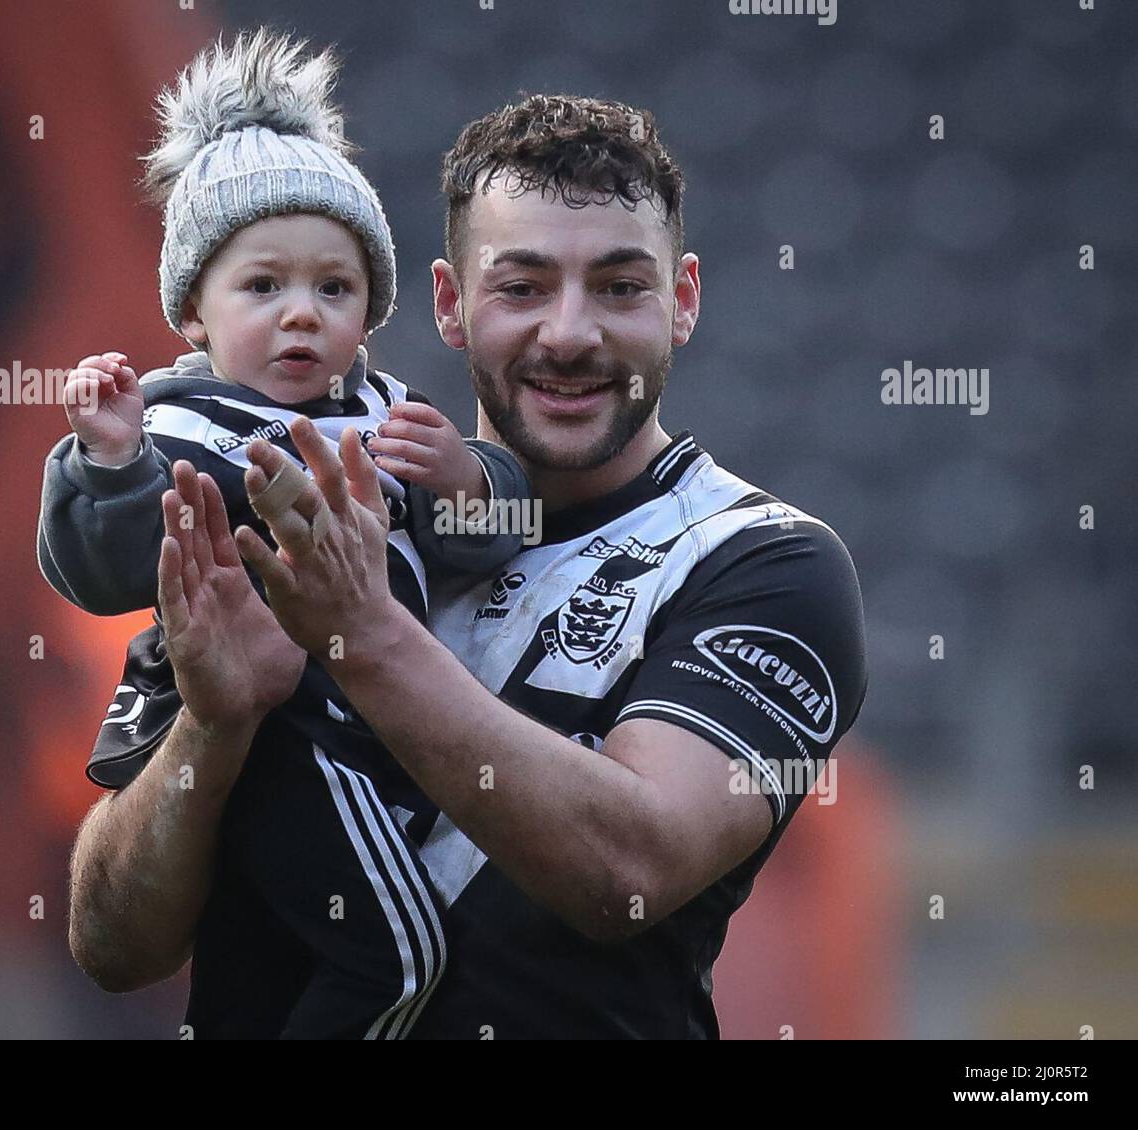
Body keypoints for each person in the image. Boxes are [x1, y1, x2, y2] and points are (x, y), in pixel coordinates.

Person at [68, 92, 868, 1040]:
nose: (570, 333)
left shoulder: (764, 562)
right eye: (521, 286)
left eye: (620, 286)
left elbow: (631, 873)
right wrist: (213, 724)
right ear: (449, 303)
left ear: (682, 300)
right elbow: (114, 947)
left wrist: (361, 633)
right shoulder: (288, 507)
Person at [41, 28, 530, 1039]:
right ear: (193, 311)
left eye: (334, 288)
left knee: (267, 968)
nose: (301, 315)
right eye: (264, 286)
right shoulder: (175, 424)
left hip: (380, 733)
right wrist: (108, 462)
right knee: (403, 953)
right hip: (274, 738)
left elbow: (497, 538)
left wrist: (466, 477)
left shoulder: (390, 417)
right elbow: (98, 570)